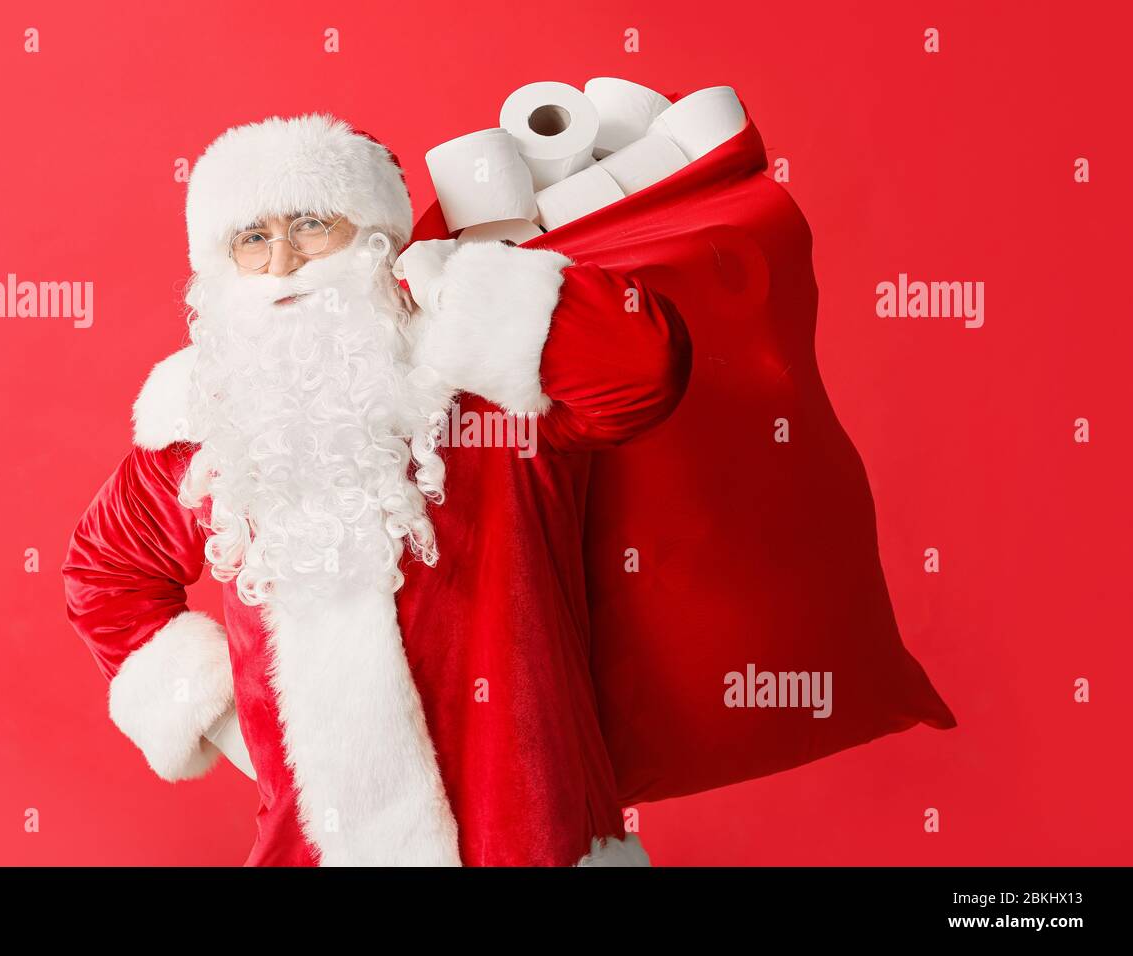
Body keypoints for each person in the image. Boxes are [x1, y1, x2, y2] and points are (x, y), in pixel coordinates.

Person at [61, 112, 692, 866]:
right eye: (252, 239)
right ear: (220, 267)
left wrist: (465, 284)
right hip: (316, 846)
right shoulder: (202, 418)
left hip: (524, 830)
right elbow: (104, 576)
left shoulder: (485, 383)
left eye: (312, 224)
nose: (284, 261)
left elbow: (644, 374)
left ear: (376, 239)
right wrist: (235, 724)